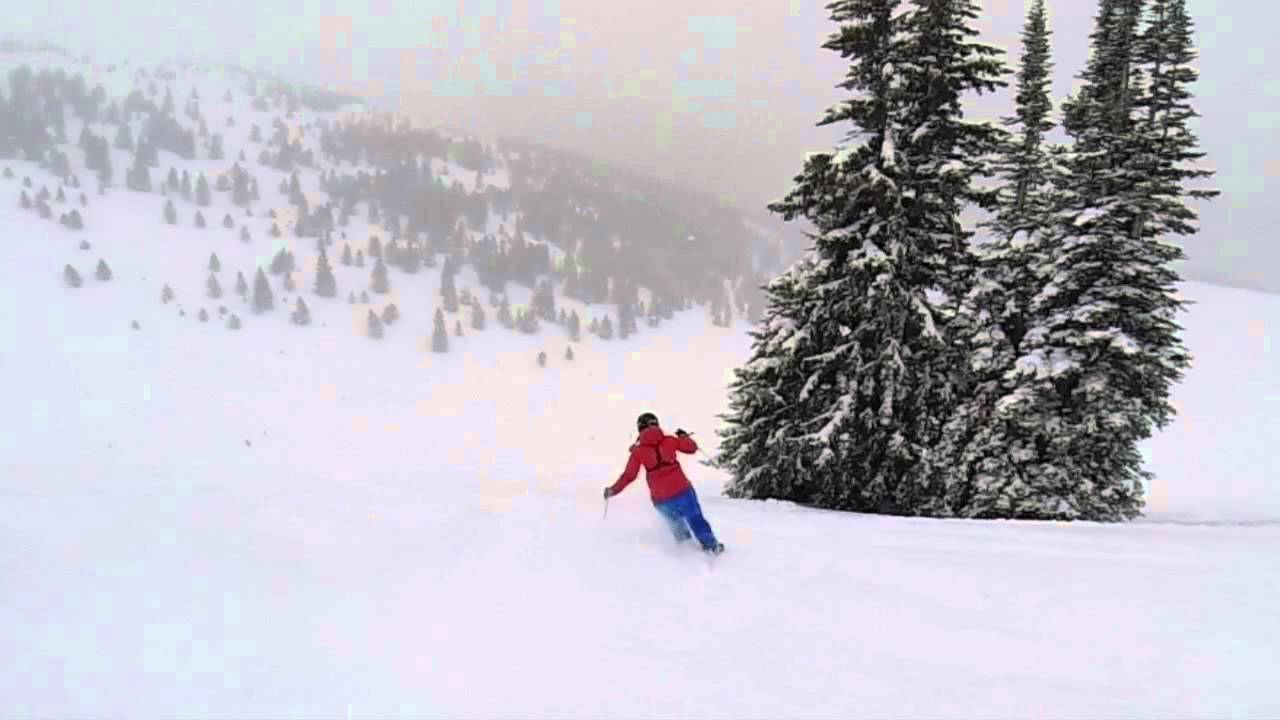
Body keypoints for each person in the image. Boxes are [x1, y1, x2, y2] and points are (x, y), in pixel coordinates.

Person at [604, 412, 725, 554]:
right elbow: (691, 448)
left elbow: (628, 476)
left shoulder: (638, 452)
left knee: (677, 527)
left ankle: (688, 554)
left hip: (662, 499)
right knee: (695, 518)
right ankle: (711, 546)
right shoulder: (670, 441)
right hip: (683, 491)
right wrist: (683, 436)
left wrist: (613, 490)